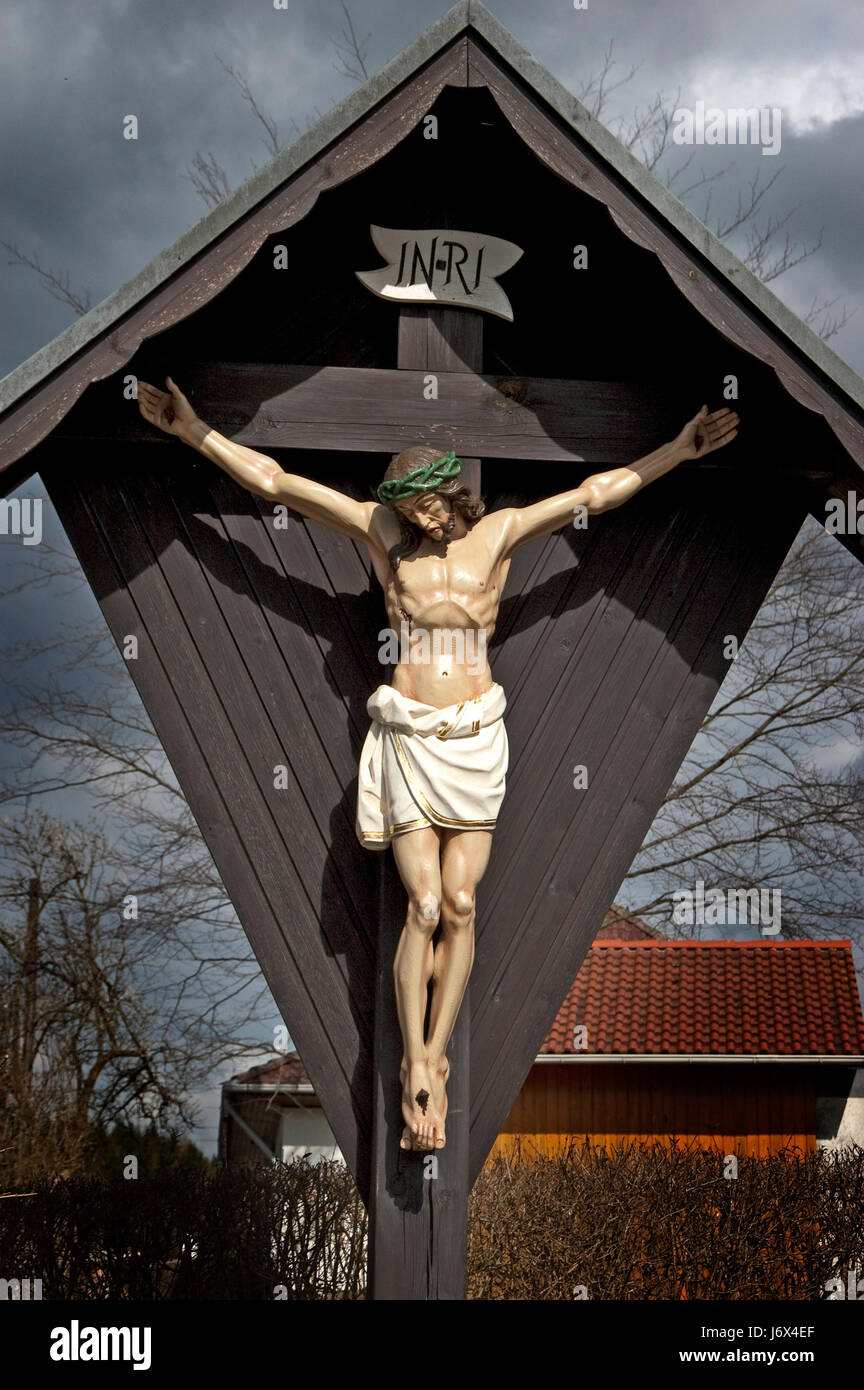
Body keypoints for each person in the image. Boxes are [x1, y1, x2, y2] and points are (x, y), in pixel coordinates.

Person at [138, 376, 739, 1152]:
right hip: (411, 735)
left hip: (478, 735)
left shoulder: (502, 535)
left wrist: (676, 453)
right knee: (421, 903)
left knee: (461, 904)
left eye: (427, 501)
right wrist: (192, 431)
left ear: (451, 494)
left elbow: (597, 492)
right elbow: (278, 483)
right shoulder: (383, 534)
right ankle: (413, 1061)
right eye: (408, 504)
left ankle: (438, 1053)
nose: (419, 516)